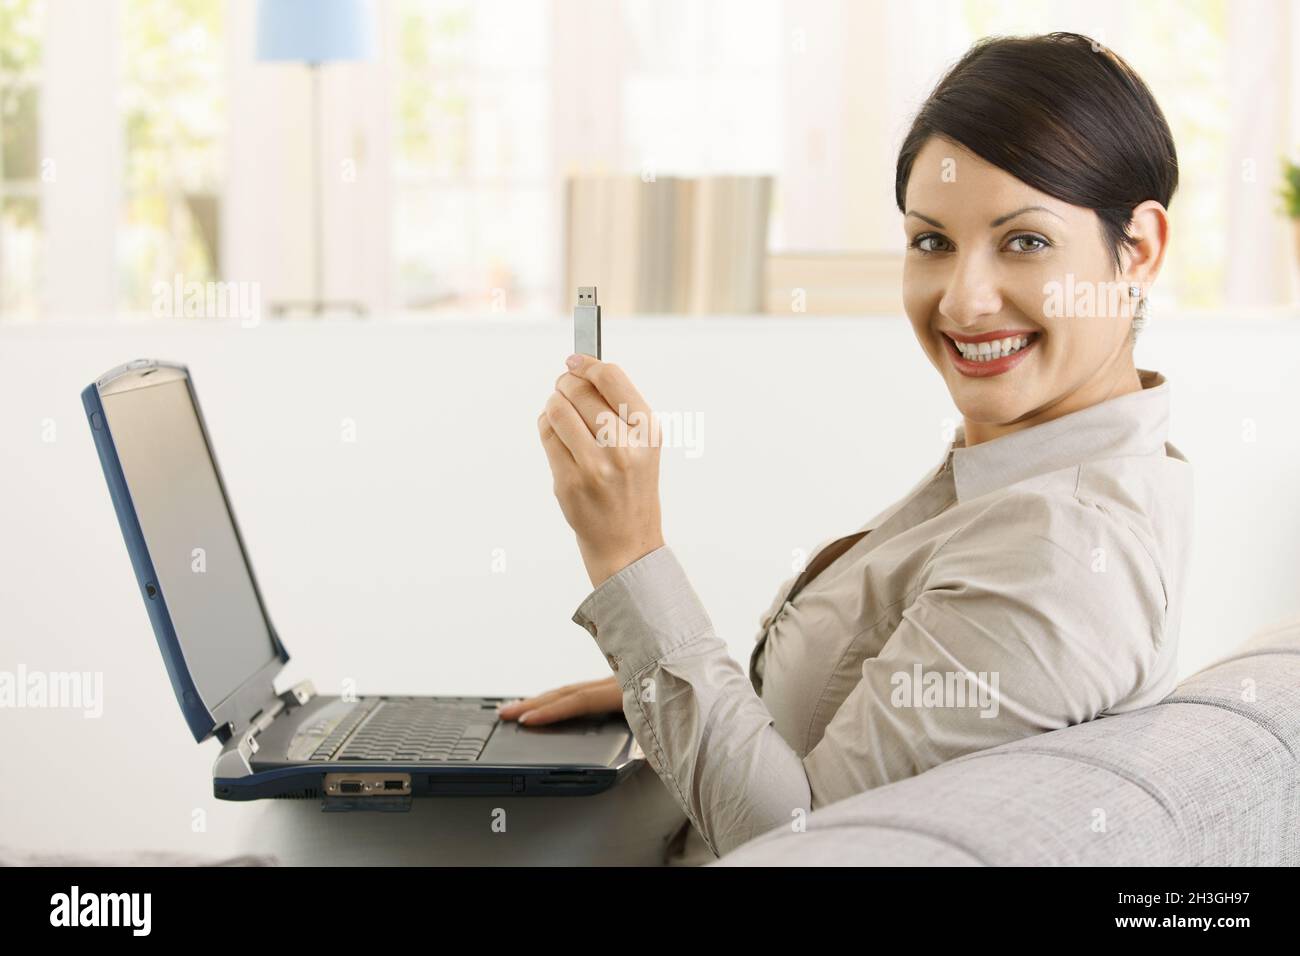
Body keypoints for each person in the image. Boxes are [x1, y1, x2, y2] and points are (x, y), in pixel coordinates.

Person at [518, 31, 1192, 865]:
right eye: (932, 242)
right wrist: (670, 701)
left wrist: (627, 550)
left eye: (1025, 241)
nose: (965, 299)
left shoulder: (1059, 551)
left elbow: (799, 847)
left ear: (1142, 248)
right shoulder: (1025, 474)